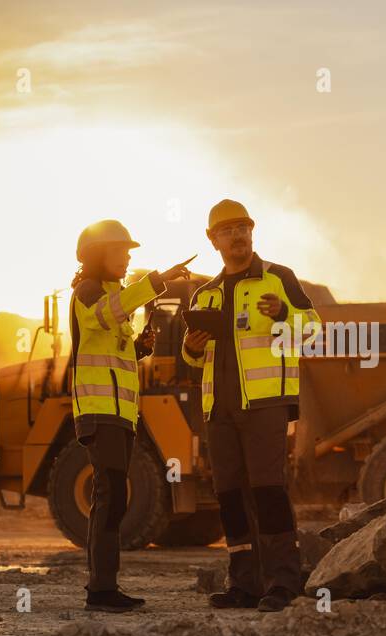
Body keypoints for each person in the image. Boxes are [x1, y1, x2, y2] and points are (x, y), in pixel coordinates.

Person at [181, 200, 322, 612]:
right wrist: (190, 348)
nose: (238, 234)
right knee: (229, 495)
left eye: (243, 226)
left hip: (265, 404)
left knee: (268, 492)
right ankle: (244, 582)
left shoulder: (278, 279)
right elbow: (193, 358)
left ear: (252, 232)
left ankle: (283, 582)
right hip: (219, 410)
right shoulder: (204, 295)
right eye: (228, 230)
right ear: (214, 241)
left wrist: (282, 316)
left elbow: (312, 327)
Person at [70, 219, 193, 612]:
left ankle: (105, 587)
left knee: (115, 498)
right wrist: (157, 282)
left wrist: (139, 348)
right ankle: (100, 591)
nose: (127, 258)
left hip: (120, 413)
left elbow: (112, 347)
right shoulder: (88, 293)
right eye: (120, 251)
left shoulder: (114, 298)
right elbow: (105, 314)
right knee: (109, 498)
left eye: (129, 252)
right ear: (96, 255)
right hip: (98, 410)